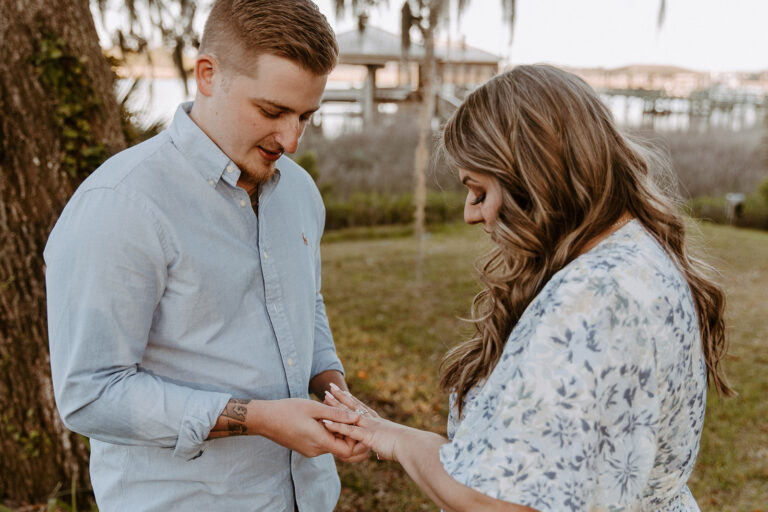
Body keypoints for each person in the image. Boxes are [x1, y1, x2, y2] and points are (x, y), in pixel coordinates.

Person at [322, 65, 732, 511]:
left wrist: (395, 438)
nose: (470, 214)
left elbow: (494, 502)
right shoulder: (641, 254)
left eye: (479, 191)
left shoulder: (591, 298)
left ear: (533, 178)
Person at [44, 1, 367, 510]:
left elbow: (306, 302)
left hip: (309, 498)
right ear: (208, 74)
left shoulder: (300, 191)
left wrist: (333, 388)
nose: (291, 139)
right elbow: (91, 394)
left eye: (305, 115)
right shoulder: (120, 205)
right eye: (272, 111)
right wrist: (257, 417)